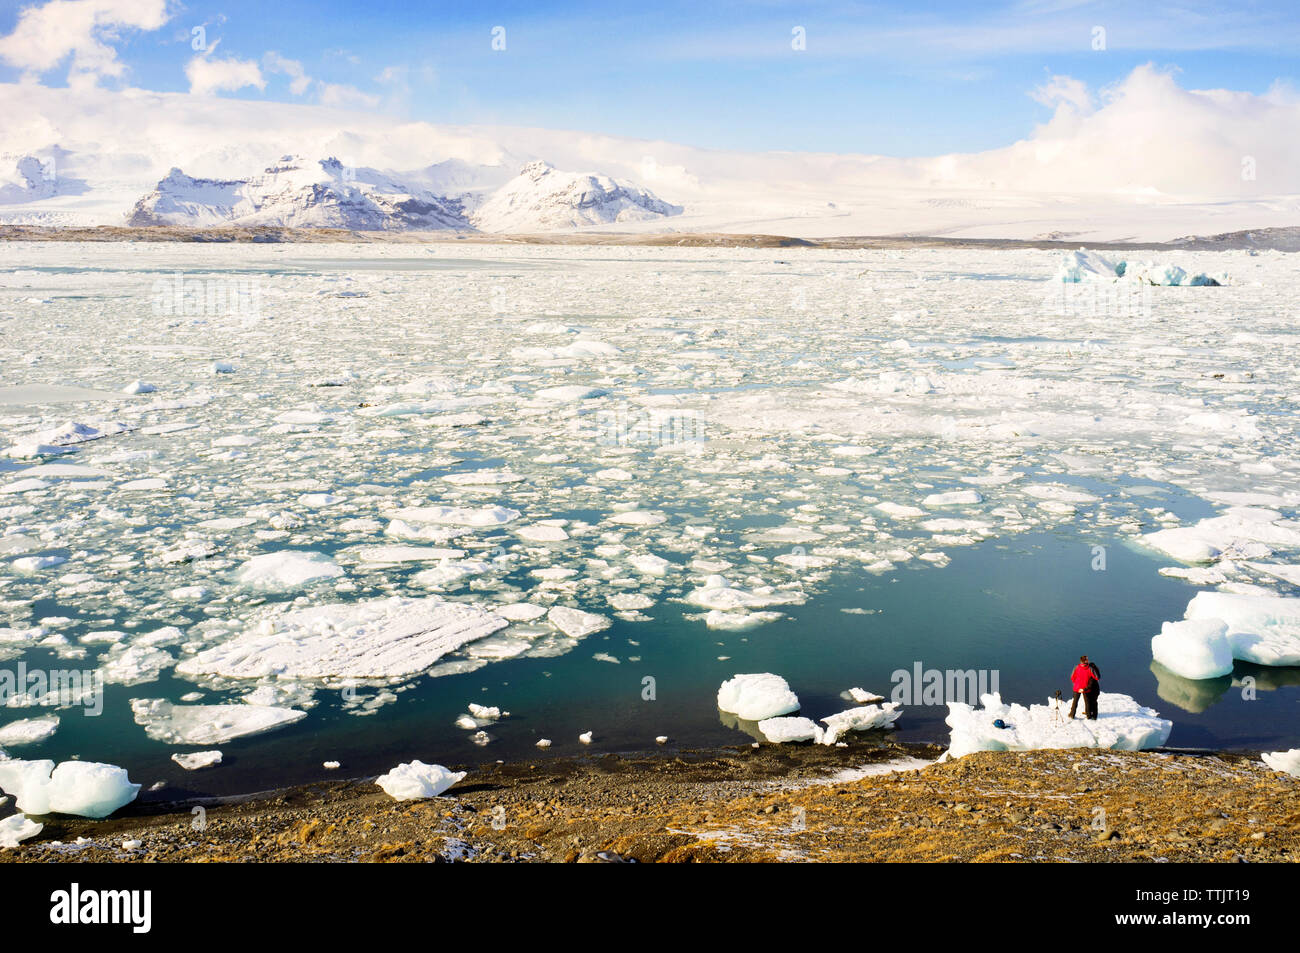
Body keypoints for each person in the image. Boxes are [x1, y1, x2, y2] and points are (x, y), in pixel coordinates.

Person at [1068, 655, 1101, 720]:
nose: (1088, 660)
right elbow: (1096, 677)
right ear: (1085, 661)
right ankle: (1088, 716)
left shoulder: (1076, 667)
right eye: (1087, 659)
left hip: (1077, 687)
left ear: (1081, 661)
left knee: (1075, 701)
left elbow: (1072, 677)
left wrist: (1077, 683)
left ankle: (1072, 714)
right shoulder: (1090, 668)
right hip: (1085, 688)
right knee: (1087, 702)